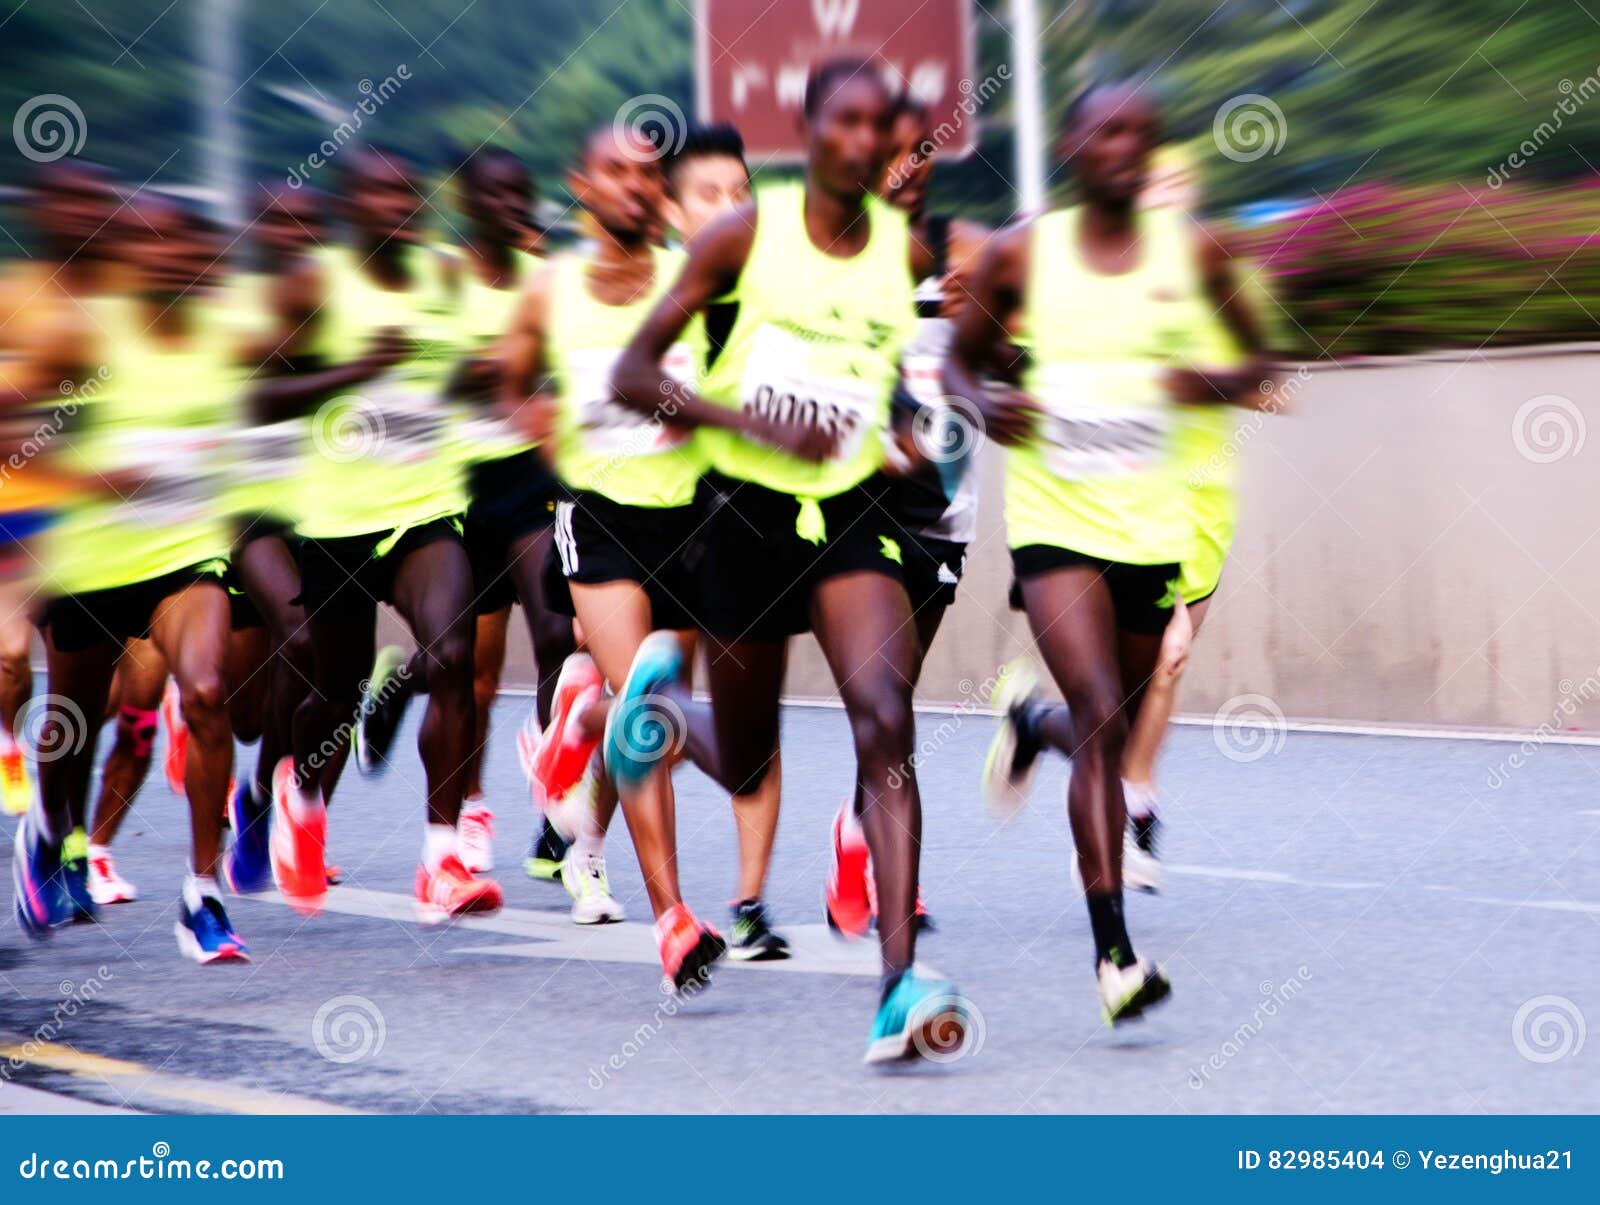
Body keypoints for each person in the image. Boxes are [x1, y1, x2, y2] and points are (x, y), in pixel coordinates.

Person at [610, 58, 970, 1058]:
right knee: (745, 754)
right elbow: (633, 372)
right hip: (740, 513)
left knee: (884, 721)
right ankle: (665, 710)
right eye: (845, 124)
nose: (864, 143)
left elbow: (884, 372)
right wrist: (745, 416)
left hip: (849, 512)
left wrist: (898, 428)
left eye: (880, 128)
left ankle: (897, 982)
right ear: (811, 132)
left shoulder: (898, 254)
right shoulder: (742, 234)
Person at [948, 83, 1274, 1023]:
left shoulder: (1194, 253)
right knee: (1101, 717)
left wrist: (1195, 377)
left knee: (1115, 728)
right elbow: (958, 362)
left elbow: (1258, 367)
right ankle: (1116, 958)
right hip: (1055, 522)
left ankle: (1027, 721)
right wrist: (985, 399)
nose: (1125, 147)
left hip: (1151, 527)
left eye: (1142, 132)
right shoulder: (1023, 252)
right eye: (1106, 131)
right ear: (1073, 145)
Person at [265, 142, 500, 923]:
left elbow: (467, 370)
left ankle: (441, 859)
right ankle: (300, 792)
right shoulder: (316, 284)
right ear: (349, 206)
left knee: (454, 655)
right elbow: (260, 395)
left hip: (425, 504)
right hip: (336, 522)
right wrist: (353, 372)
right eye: (381, 197)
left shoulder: (447, 278)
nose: (399, 210)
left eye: (410, 197)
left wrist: (486, 379)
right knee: (336, 691)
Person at [500, 125, 716, 956]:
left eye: (649, 175)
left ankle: (576, 736)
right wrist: (546, 431)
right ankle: (673, 920)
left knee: (647, 722)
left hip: (691, 520)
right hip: (598, 519)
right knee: (652, 713)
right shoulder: (550, 291)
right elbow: (513, 385)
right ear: (582, 186)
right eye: (615, 173)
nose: (633, 186)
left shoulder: (692, 277)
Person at [17, 193, 249, 961]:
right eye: (155, 244)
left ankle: (202, 894)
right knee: (73, 727)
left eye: (191, 245)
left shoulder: (228, 335)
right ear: (130, 255)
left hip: (186, 556)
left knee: (208, 692)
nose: (176, 257)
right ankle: (50, 834)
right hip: (90, 562)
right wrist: (93, 478)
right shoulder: (84, 333)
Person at [355, 146, 577, 882]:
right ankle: (468, 794)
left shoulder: (546, 282)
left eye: (526, 192)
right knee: (471, 670)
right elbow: (420, 373)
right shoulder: (443, 279)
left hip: (527, 477)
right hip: (457, 481)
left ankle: (555, 802)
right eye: (499, 195)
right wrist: (479, 369)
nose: (517, 206)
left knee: (556, 632)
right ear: (469, 204)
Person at [1116, 144, 1270, 889]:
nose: (1168, 198)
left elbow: (1271, 387)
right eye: (1154, 186)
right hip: (1119, 502)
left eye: (1179, 185)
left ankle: (1133, 795)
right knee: (1151, 660)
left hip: (1204, 508)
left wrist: (1200, 380)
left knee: (1162, 669)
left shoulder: (1220, 284)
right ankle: (1129, 807)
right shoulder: (1100, 288)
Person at [0, 161, 121, 817]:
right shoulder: (15, 296)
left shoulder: (129, 303)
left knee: (103, 688)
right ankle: (7, 742)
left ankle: (67, 830)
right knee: (12, 654)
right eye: (69, 204)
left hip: (101, 517)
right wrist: (38, 386)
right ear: (42, 214)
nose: (84, 217)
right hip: (17, 509)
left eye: (95, 203)